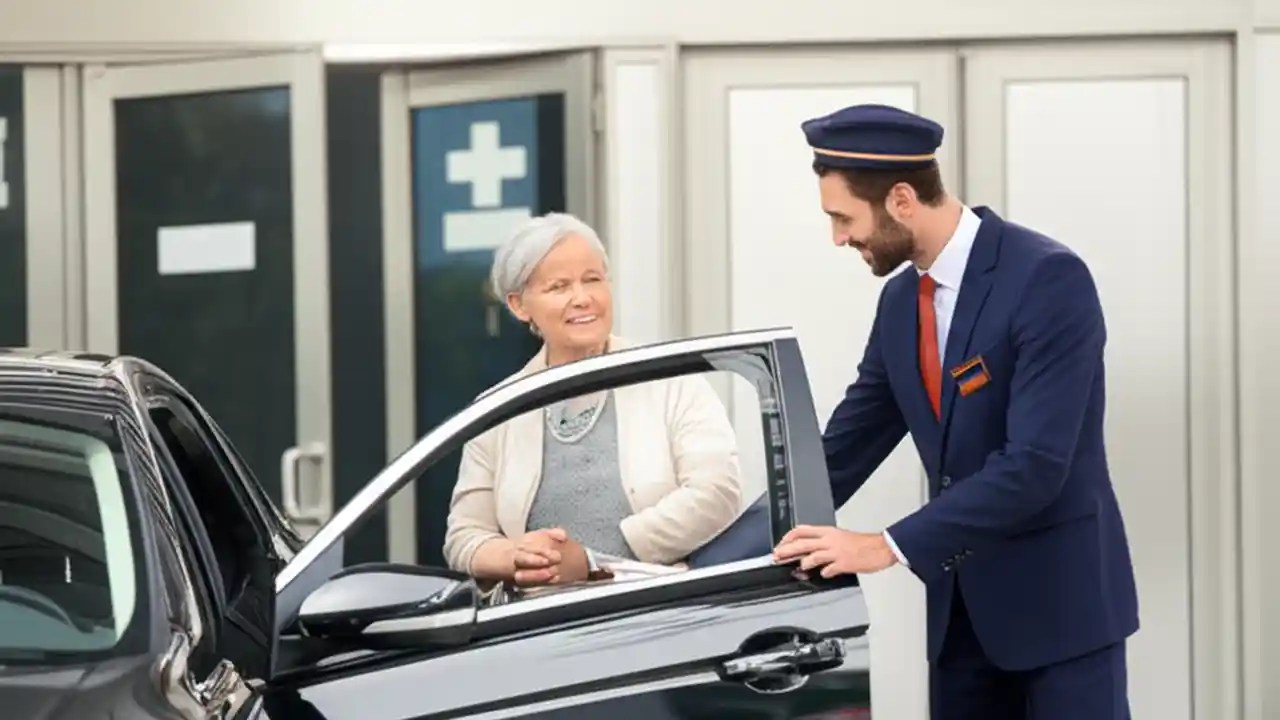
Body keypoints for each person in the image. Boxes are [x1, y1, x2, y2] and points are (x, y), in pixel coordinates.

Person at [771, 104, 1138, 719]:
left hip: (1061, 616)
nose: (838, 238)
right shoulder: (899, 302)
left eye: (843, 218)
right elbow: (844, 447)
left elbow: (1035, 464)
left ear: (902, 199)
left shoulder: (1048, 279)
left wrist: (886, 544)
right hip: (961, 624)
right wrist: (710, 551)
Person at [443, 212, 743, 589]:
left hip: (658, 609)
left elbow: (717, 492)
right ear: (520, 306)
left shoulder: (670, 379)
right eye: (559, 287)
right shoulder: (498, 409)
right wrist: (517, 557)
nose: (582, 299)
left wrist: (594, 560)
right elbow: (465, 536)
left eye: (593, 280)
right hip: (534, 624)